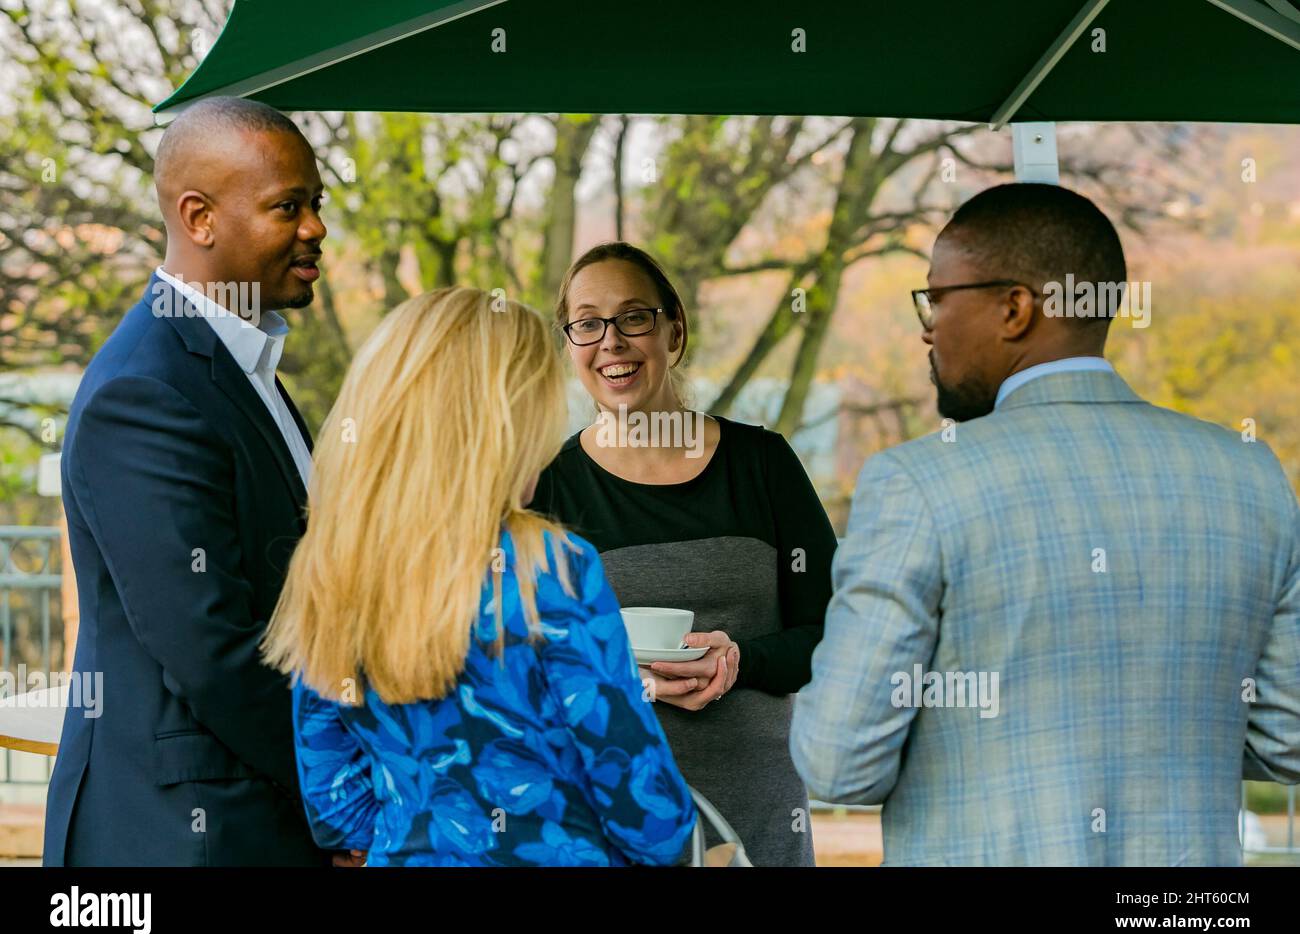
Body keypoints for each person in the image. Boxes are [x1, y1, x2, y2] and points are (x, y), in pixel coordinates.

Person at [791, 182, 1300, 865]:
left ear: (1014, 308)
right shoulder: (1250, 474)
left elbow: (838, 762)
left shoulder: (917, 482)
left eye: (937, 297)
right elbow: (1289, 738)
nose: (926, 325)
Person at [262, 287, 697, 866]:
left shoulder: (331, 567)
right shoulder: (550, 567)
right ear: (504, 422)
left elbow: (334, 804)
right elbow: (651, 815)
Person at [45, 97, 346, 865]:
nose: (315, 227)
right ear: (199, 218)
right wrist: (345, 796)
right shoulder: (144, 391)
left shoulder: (244, 368)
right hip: (183, 837)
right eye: (289, 206)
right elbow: (215, 653)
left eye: (316, 204)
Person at [532, 242, 838, 866]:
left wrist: (740, 660)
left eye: (633, 318)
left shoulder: (762, 464)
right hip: (611, 817)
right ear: (570, 344)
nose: (610, 341)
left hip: (761, 813)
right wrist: (622, 678)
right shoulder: (547, 489)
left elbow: (838, 633)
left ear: (674, 330)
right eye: (587, 323)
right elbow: (526, 668)